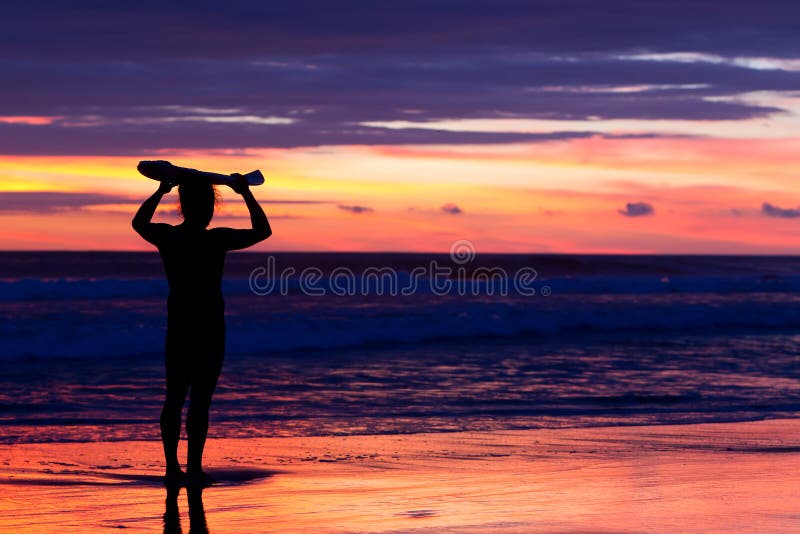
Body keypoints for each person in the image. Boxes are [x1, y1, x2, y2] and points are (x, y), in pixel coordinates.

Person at [132, 173, 271, 487]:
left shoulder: (171, 237)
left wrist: (160, 190)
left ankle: (177, 469)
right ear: (199, 207)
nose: (207, 209)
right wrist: (245, 192)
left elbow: (139, 224)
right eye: (205, 203)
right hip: (206, 326)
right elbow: (263, 230)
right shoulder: (213, 239)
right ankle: (189, 469)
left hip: (184, 326)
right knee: (193, 400)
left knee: (178, 398)